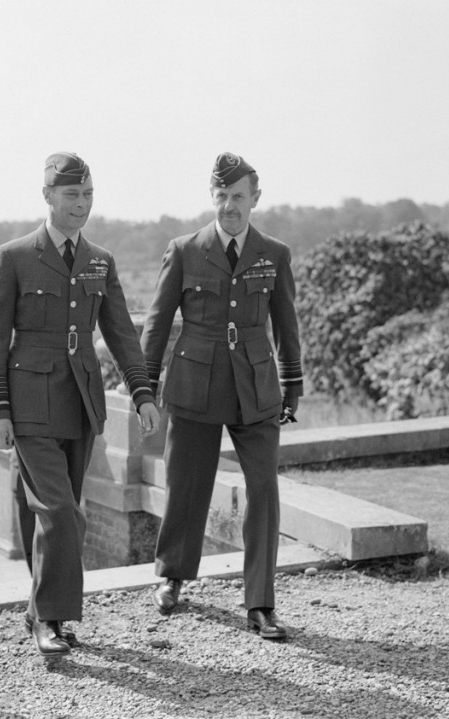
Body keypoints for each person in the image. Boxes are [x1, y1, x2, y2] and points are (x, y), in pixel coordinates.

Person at [0, 152, 161, 658]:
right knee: (61, 513)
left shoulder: (100, 260)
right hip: (29, 403)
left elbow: (122, 332)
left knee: (56, 511)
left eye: (87, 195)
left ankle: (41, 609)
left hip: (81, 403)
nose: (80, 205)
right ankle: (52, 619)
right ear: (48, 198)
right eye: (70, 195)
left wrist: (142, 391)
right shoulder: (13, 256)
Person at [141, 153, 304, 639]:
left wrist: (291, 386)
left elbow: (286, 324)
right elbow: (157, 321)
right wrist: (145, 387)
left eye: (238, 196)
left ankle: (260, 603)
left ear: (256, 197)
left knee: (264, 491)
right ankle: (172, 575)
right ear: (211, 197)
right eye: (221, 197)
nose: (229, 206)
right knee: (186, 483)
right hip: (195, 382)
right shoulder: (186, 249)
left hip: (256, 387)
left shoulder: (274, 253)